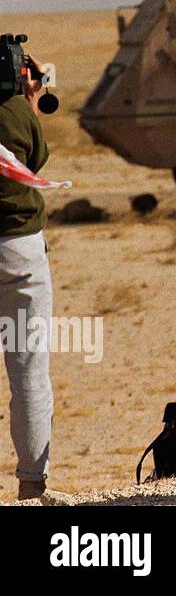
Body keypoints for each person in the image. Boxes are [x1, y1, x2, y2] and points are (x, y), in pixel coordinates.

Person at [0, 52, 55, 499]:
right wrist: (29, 101)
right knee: (29, 372)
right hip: (18, 250)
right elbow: (32, 165)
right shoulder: (15, 111)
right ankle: (32, 485)